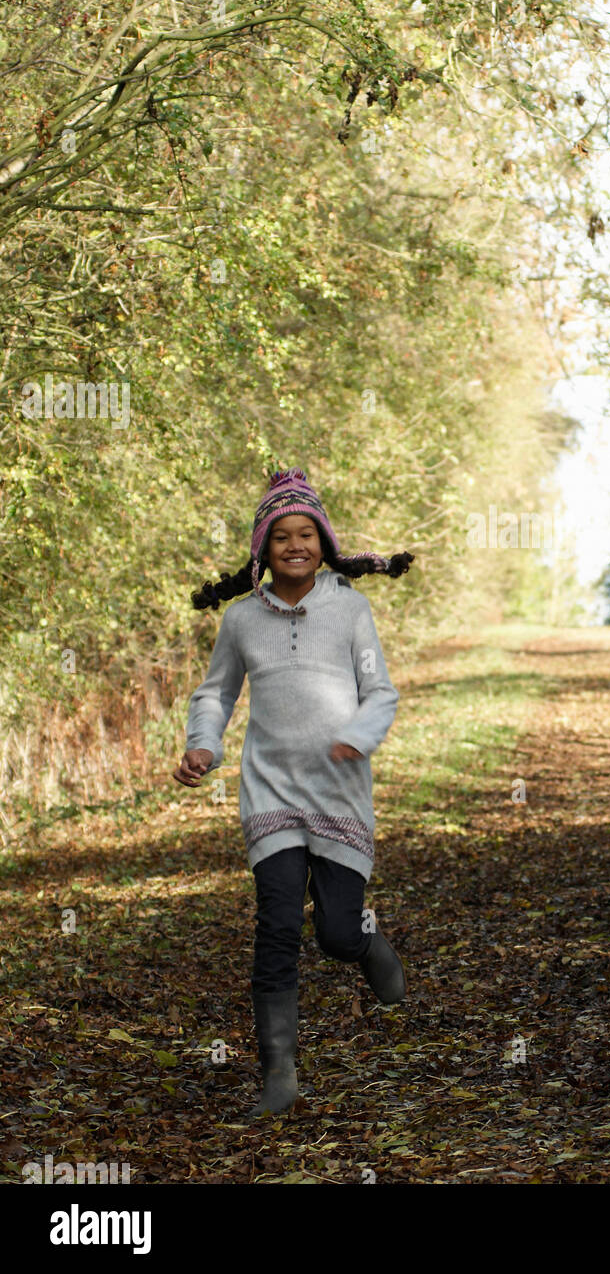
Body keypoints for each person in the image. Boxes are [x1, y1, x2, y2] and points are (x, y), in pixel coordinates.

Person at [174, 467, 413, 1117]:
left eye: (306, 533)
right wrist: (204, 744)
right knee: (276, 926)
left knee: (333, 934)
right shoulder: (242, 620)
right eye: (281, 536)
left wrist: (357, 737)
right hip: (270, 792)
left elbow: (380, 692)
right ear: (262, 547)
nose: (294, 545)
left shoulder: (349, 609)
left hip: (338, 791)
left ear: (324, 542)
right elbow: (217, 693)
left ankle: (366, 944)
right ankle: (279, 1076)